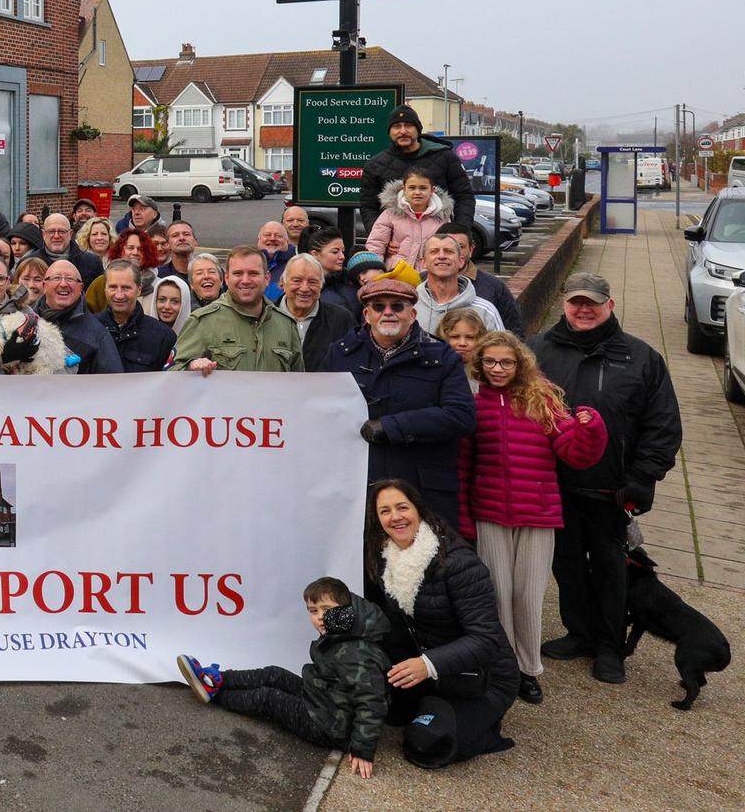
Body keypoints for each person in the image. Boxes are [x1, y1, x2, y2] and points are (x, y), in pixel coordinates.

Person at [531, 273, 681, 684]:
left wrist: (644, 477)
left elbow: (662, 424)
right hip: (553, 484)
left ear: (609, 305)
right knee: (567, 567)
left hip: (611, 489)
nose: (584, 309)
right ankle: (579, 632)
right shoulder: (538, 350)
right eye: (576, 302)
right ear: (564, 304)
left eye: (593, 303)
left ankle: (610, 646)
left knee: (611, 569)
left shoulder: (641, 357)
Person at [458, 332, 606, 705]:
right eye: (490, 362)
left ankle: (529, 668)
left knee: (528, 596)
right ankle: (503, 665)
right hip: (489, 512)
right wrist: (462, 518)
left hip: (537, 514)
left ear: (519, 363)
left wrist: (591, 429)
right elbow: (463, 465)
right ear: (480, 363)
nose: (497, 369)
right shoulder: (473, 402)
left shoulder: (543, 398)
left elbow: (575, 454)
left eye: (506, 362)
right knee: (498, 595)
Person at [364, 481, 519, 767]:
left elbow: (486, 639)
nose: (394, 517)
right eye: (384, 511)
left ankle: (484, 728)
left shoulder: (460, 563)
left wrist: (428, 664)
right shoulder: (386, 556)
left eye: (402, 507)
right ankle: (433, 706)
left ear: (418, 510)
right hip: (431, 672)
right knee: (385, 714)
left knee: (426, 745)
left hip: (484, 677)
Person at [176, 576, 389, 781]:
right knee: (274, 673)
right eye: (313, 611)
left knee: (269, 698)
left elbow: (372, 702)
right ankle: (218, 677)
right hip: (324, 699)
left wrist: (362, 749)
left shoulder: (357, 654)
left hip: (330, 727)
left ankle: (216, 693)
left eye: (327, 610)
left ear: (346, 610)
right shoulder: (346, 627)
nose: (319, 617)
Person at [318, 279, 475, 522]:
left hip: (422, 490)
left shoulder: (442, 357)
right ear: (367, 315)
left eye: (397, 306)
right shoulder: (340, 354)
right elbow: (319, 412)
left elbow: (461, 417)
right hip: (358, 488)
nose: (388, 312)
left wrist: (392, 426)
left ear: (412, 314)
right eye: (379, 306)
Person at [174, 248, 301, 374]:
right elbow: (171, 373)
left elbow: (298, 382)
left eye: (253, 273)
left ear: (267, 278)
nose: (245, 280)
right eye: (238, 273)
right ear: (227, 278)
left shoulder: (286, 325)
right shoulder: (202, 322)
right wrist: (190, 368)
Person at [359, 106, 477, 227]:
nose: (403, 131)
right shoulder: (374, 165)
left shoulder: (445, 157)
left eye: (408, 126)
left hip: (439, 239)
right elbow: (369, 207)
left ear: (418, 129)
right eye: (397, 126)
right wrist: (381, 239)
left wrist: (460, 232)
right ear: (389, 132)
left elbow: (464, 197)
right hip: (396, 242)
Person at [35, 259, 125, 374]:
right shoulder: (25, 322)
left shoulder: (97, 335)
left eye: (70, 279)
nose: (63, 284)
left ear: (81, 287)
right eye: (57, 278)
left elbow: (113, 382)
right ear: (44, 285)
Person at [435, 224, 523, 331]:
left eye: (460, 247)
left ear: (471, 250)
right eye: (448, 247)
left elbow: (514, 333)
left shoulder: (494, 287)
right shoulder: (420, 283)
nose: (455, 253)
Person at [413, 233, 504, 334]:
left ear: (461, 261)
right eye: (434, 252)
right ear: (423, 262)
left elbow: (501, 348)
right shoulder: (409, 307)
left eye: (449, 251)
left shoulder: (486, 311)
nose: (442, 256)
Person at [365, 168, 453, 271]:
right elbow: (376, 244)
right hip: (395, 272)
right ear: (404, 189)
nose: (417, 192)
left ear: (432, 190)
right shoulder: (390, 214)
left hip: (429, 274)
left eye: (423, 188)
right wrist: (375, 270)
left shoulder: (442, 218)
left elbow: (447, 247)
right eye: (412, 188)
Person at [99, 259, 176, 372]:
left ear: (139, 289)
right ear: (105, 289)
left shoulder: (163, 336)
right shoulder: (91, 329)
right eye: (113, 287)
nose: (119, 295)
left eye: (126, 288)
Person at [279, 254, 353, 372]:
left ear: (321, 286)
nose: (304, 288)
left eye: (312, 282)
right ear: (283, 283)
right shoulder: (264, 317)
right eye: (297, 280)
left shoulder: (341, 319)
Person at [256, 220, 295, 299]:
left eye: (278, 236)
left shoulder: (296, 264)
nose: (272, 239)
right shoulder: (249, 262)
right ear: (259, 239)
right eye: (267, 235)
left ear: (287, 241)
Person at [159, 219, 198, 283]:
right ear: (167, 244)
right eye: (175, 235)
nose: (181, 238)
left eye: (186, 234)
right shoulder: (159, 277)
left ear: (195, 241)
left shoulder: (210, 273)